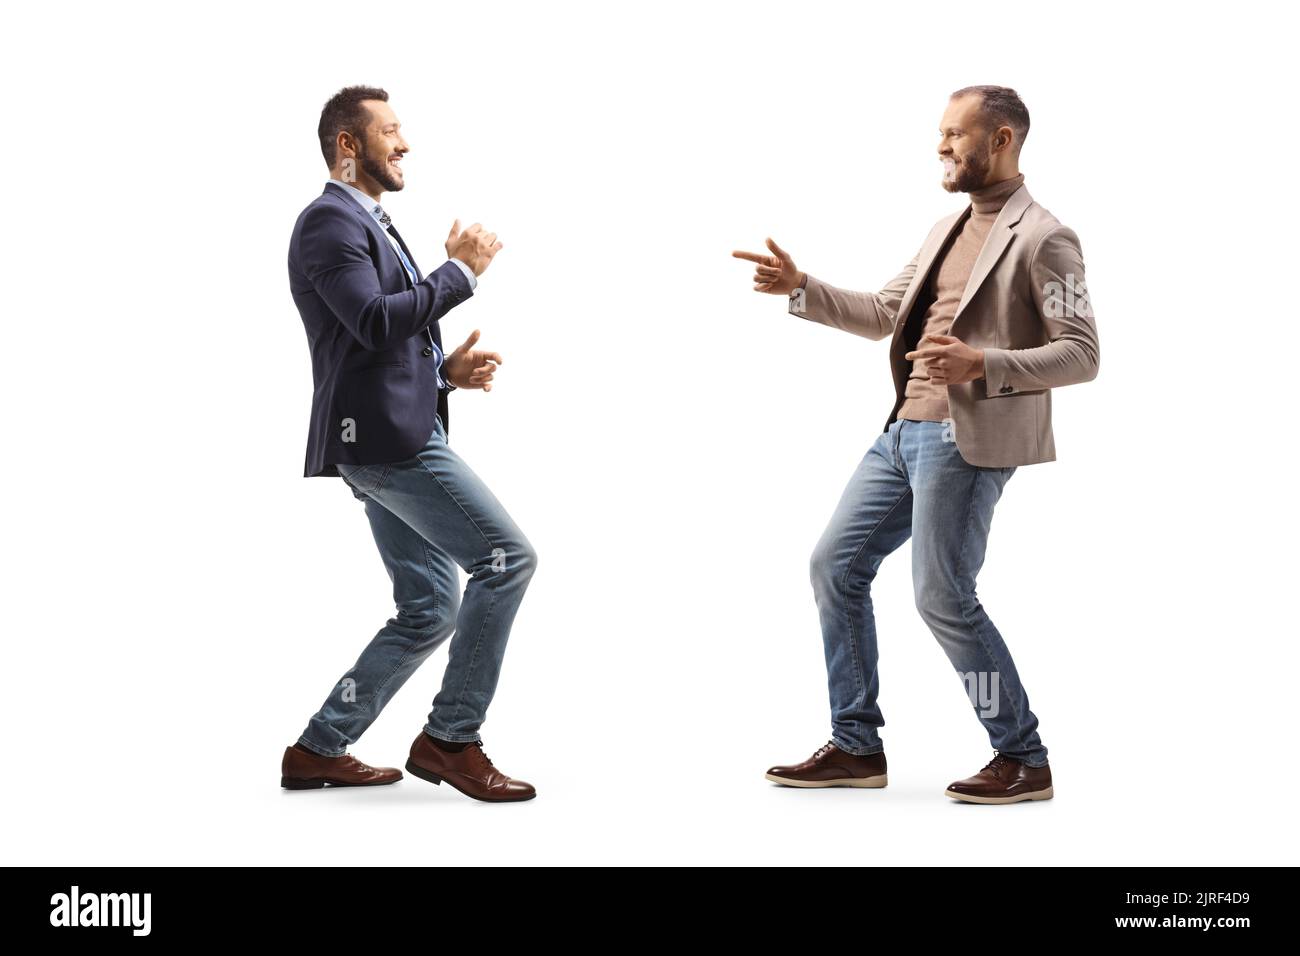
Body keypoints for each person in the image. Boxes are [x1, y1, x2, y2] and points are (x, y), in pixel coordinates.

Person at [733, 85, 1099, 804]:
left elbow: (1081, 354)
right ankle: (855, 745)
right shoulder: (945, 229)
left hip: (966, 441)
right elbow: (881, 314)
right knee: (834, 566)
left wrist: (984, 364)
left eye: (955, 134)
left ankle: (1022, 754)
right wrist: (800, 286)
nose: (940, 146)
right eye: (939, 133)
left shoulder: (1045, 238)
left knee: (942, 596)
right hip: (901, 431)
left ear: (1001, 139)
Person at [280, 85, 537, 802]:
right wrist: (458, 274)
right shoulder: (328, 224)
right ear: (347, 146)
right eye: (389, 131)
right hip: (387, 444)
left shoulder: (367, 221)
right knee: (506, 558)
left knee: (429, 606)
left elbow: (375, 345)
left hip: (393, 429)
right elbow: (369, 320)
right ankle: (452, 739)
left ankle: (318, 748)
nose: (405, 143)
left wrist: (442, 375)